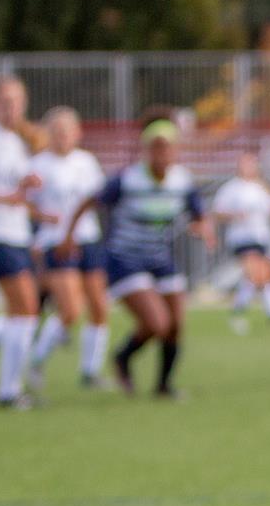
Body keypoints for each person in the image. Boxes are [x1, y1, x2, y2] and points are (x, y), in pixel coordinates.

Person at [63, 115, 215, 399]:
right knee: (157, 323)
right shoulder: (128, 179)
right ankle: (123, 357)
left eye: (167, 147)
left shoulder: (181, 181)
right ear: (147, 150)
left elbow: (199, 213)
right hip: (124, 259)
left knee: (176, 324)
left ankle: (163, 386)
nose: (162, 153)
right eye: (156, 147)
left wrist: (204, 229)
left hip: (159, 257)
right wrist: (69, 235)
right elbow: (88, 201)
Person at [26, 108, 109, 389]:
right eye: (56, 131)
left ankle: (90, 371)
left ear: (77, 133)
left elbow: (97, 198)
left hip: (88, 238)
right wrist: (42, 222)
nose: (62, 136)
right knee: (71, 309)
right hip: (56, 242)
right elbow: (25, 203)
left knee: (98, 307)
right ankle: (36, 360)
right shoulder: (38, 165)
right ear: (48, 133)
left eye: (67, 130)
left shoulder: (86, 162)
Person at [0, 93, 43, 409]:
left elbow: (18, 190)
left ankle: (11, 389)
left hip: (16, 233)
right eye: (5, 103)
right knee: (26, 307)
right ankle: (9, 391)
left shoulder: (14, 140)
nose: (13, 109)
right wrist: (8, 197)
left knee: (21, 312)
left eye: (18, 102)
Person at [211, 151, 270, 335]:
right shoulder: (231, 188)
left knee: (264, 277)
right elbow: (218, 212)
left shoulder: (261, 187)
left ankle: (263, 314)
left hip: (262, 236)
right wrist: (235, 215)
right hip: (242, 237)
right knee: (256, 273)